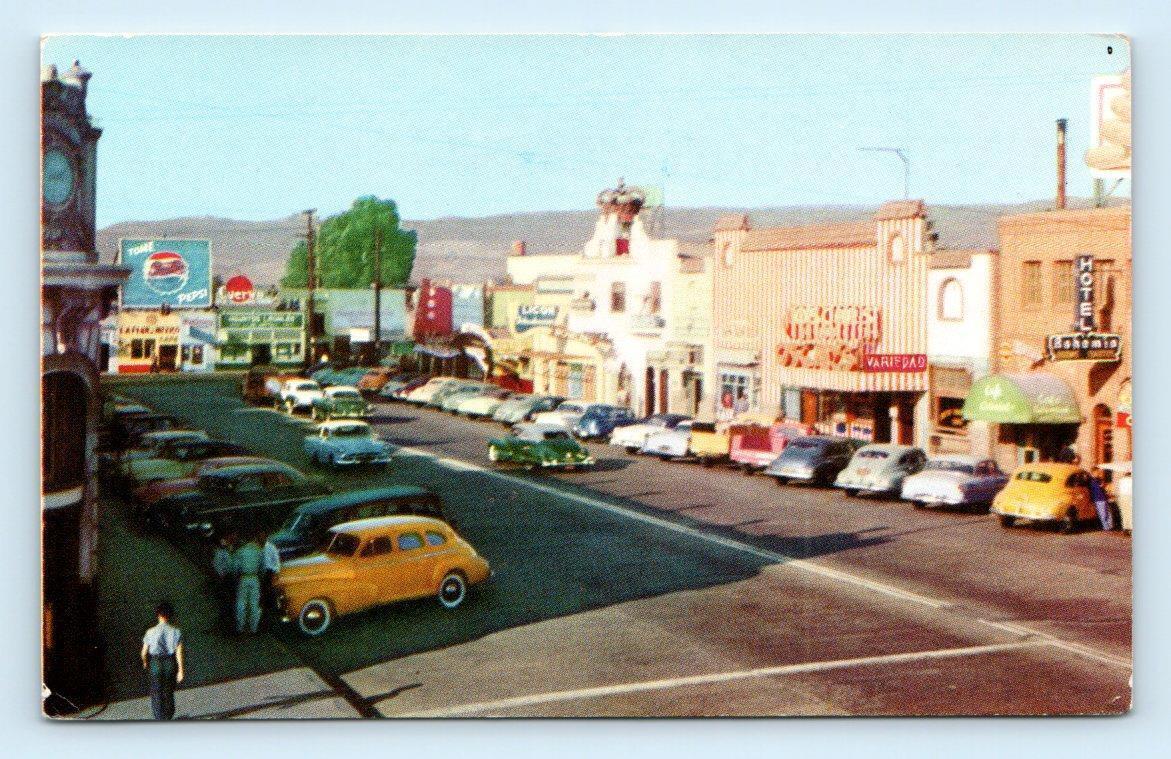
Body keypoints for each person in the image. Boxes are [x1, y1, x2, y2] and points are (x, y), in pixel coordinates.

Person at [140, 601, 185, 720]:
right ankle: (168, 716)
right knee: (168, 691)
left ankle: (159, 719)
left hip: (155, 663)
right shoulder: (176, 631)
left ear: (158, 615)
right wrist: (181, 671)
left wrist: (145, 662)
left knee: (156, 692)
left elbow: (144, 653)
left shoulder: (150, 632)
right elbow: (179, 652)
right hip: (170, 663)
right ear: (169, 615)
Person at [232, 533, 265, 635]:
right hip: (255, 578)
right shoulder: (259, 552)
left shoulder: (241, 552)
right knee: (254, 604)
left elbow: (235, 567)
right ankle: (253, 628)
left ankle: (240, 628)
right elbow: (262, 567)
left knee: (241, 603)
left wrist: (235, 576)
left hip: (244, 578)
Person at [261, 532, 282, 623]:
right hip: (259, 575)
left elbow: (277, 563)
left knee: (270, 599)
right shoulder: (256, 548)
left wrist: (275, 574)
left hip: (269, 575)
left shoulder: (271, 548)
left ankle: (270, 620)